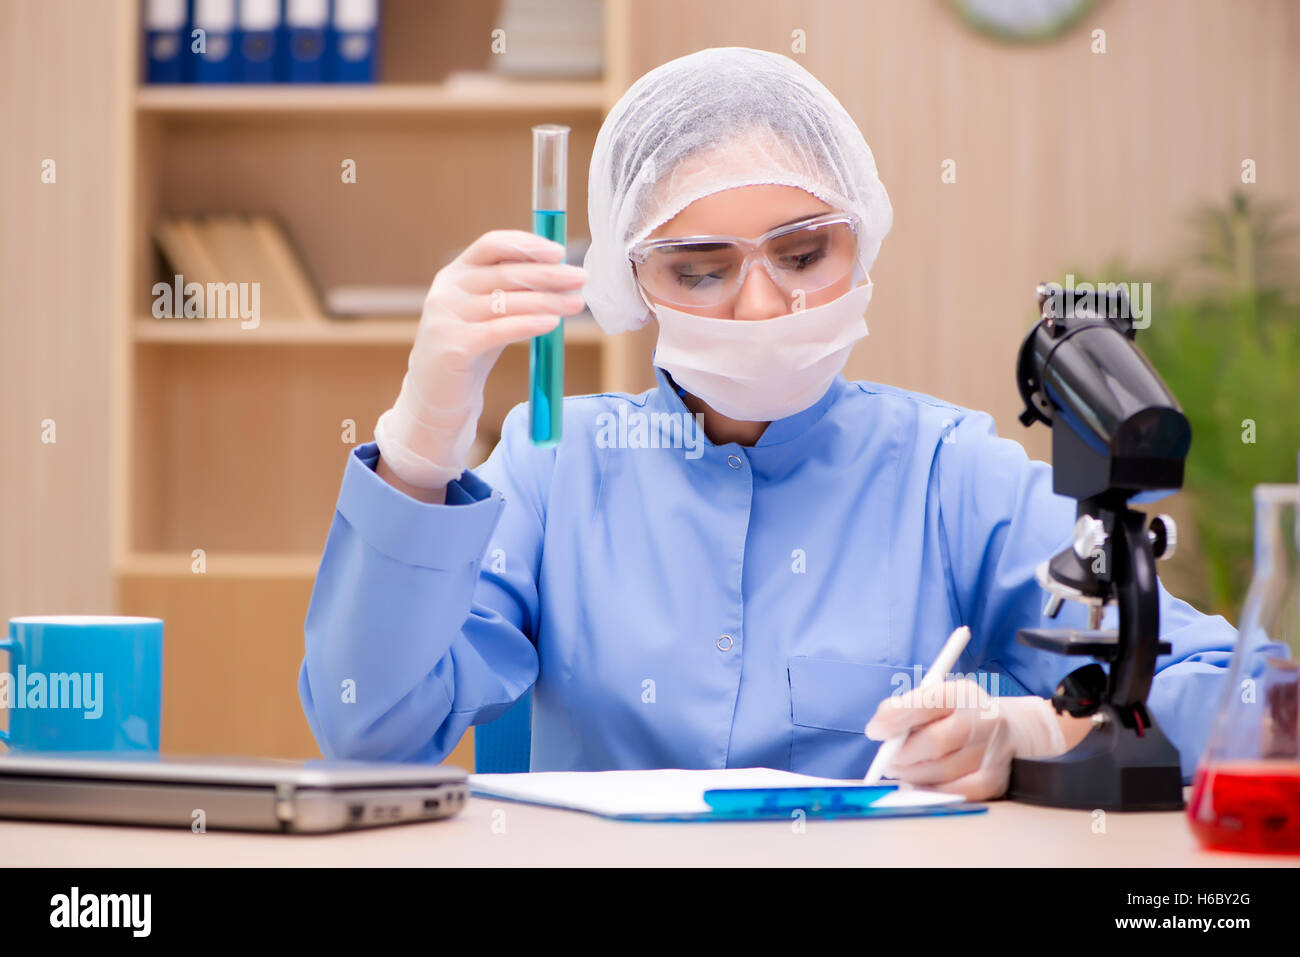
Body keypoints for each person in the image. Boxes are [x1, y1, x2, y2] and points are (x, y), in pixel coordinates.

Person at [298, 47, 1236, 800]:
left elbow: (1244, 694)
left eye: (801, 251)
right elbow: (367, 730)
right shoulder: (556, 468)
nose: (761, 306)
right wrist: (420, 449)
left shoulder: (944, 472)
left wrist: (1043, 729)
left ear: (861, 239)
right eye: (700, 267)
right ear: (630, 282)